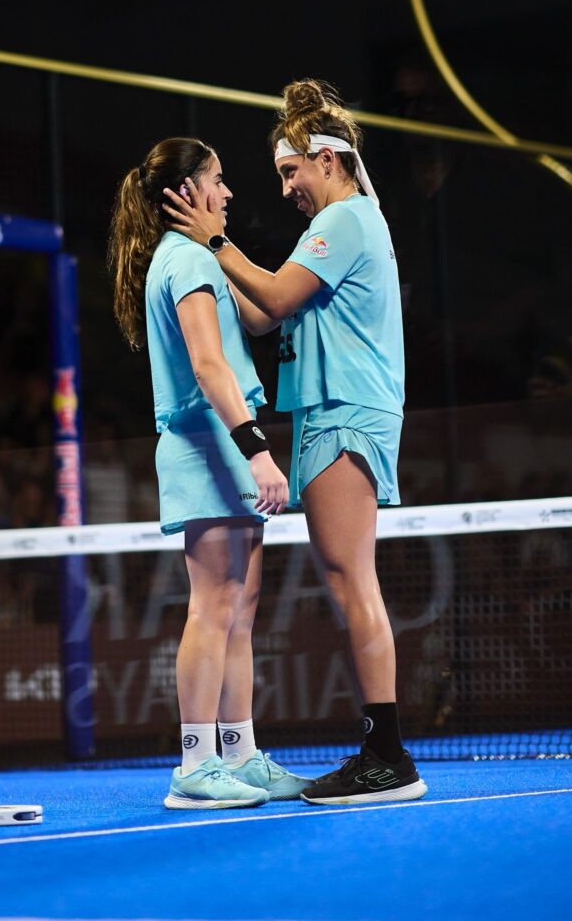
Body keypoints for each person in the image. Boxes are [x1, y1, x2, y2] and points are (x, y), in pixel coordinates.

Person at [163, 80, 428, 806]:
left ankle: (387, 757)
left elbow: (275, 296)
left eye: (290, 172)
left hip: (345, 410)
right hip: (322, 411)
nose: (284, 188)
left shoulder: (346, 219)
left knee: (351, 582)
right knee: (345, 584)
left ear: (328, 160)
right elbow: (260, 316)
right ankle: (380, 750)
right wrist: (206, 257)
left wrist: (212, 239)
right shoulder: (339, 225)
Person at [108, 136, 310, 809]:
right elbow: (207, 365)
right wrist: (256, 449)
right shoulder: (184, 260)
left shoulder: (198, 256)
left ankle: (240, 753)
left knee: (240, 610)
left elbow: (259, 315)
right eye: (216, 180)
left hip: (221, 441)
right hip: (209, 442)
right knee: (213, 606)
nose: (227, 192)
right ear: (187, 191)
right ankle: (193, 767)